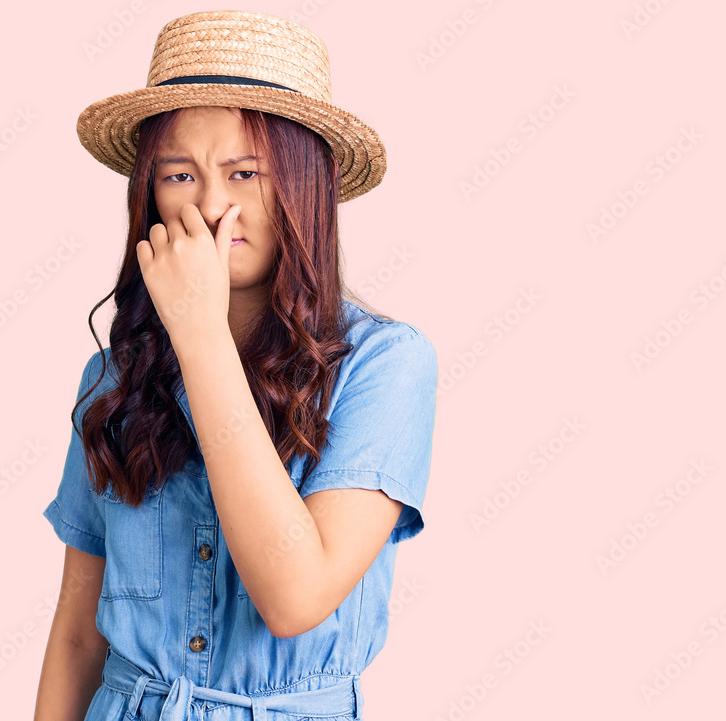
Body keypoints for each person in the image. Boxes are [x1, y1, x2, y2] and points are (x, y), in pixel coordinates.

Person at [34, 10, 438, 721]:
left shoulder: (386, 366)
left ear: (304, 186)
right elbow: (74, 635)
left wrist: (201, 337)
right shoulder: (112, 378)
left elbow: (294, 595)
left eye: (245, 172)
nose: (213, 205)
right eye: (180, 173)